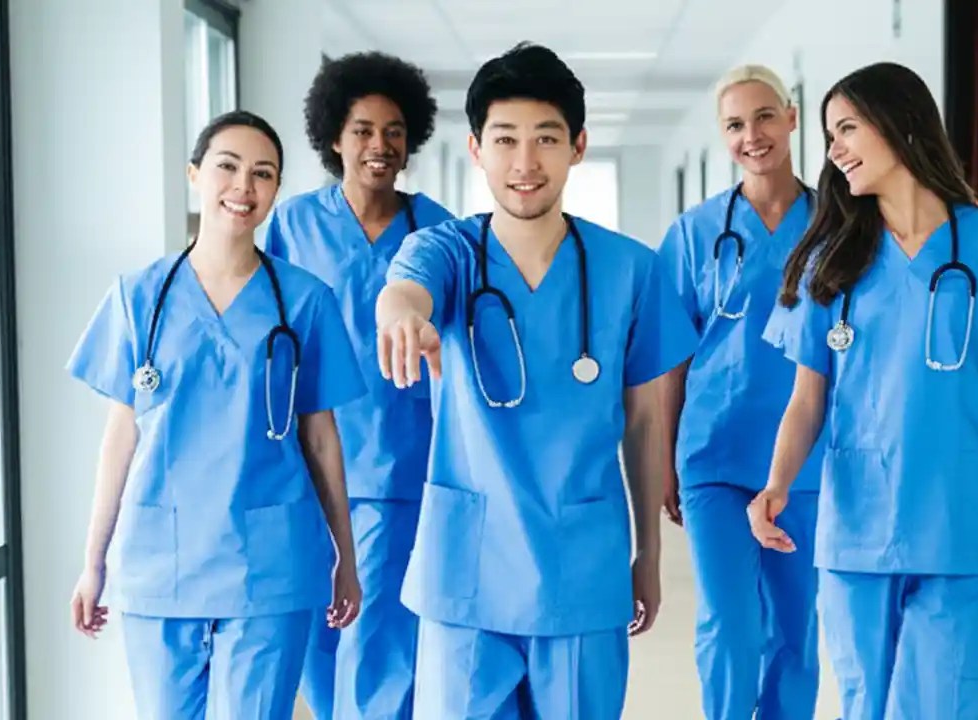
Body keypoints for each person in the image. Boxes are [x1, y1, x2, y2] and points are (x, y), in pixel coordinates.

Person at [749, 62, 978, 719]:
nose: (834, 150)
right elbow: (806, 400)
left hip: (965, 528)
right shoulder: (831, 261)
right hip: (858, 530)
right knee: (866, 707)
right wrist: (777, 483)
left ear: (901, 125)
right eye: (828, 135)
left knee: (941, 708)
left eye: (847, 128)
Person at [374, 42, 697, 719]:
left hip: (579, 567)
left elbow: (643, 421)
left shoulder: (631, 271)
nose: (525, 163)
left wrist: (648, 551)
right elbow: (406, 290)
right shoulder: (449, 251)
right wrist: (402, 314)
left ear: (577, 146)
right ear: (476, 149)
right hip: (468, 570)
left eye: (546, 139)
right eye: (506, 140)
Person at [66, 110, 365, 720]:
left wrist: (346, 558)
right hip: (159, 561)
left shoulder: (305, 300)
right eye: (227, 167)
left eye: (263, 174)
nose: (243, 187)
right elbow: (121, 437)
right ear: (195, 175)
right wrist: (92, 564)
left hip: (270, 566)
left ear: (276, 191)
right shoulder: (138, 297)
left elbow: (321, 439)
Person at [263, 51, 453, 720]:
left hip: (402, 463)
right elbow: (274, 340)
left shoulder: (438, 229)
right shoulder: (292, 225)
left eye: (395, 131)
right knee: (319, 638)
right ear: (333, 139)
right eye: (364, 129)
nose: (380, 145)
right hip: (311, 465)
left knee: (380, 644)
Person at [657, 64, 821, 720]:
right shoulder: (695, 233)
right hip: (714, 458)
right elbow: (670, 359)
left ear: (790, 117)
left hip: (807, 461)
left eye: (762, 117)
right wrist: (664, 457)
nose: (751, 135)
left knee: (795, 633)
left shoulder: (840, 224)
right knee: (731, 626)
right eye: (733, 124)